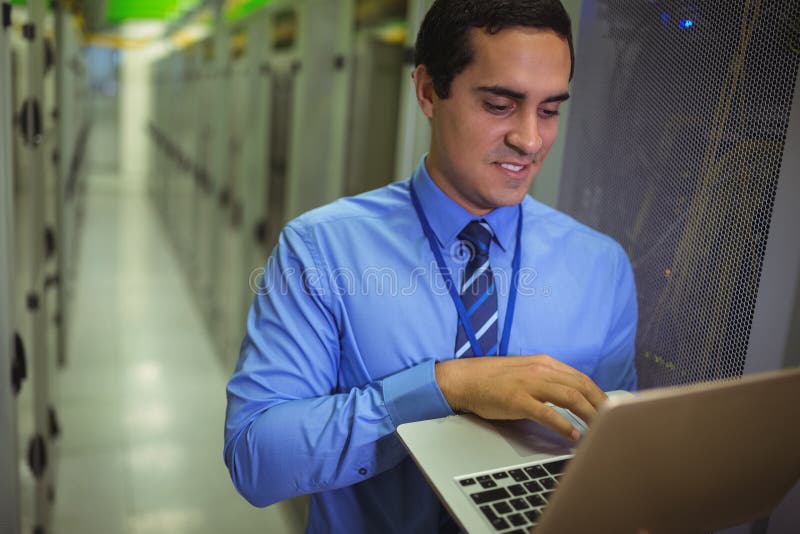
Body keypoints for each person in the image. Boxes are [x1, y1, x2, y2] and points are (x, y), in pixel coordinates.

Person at [224, 0, 638, 532]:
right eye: (499, 105)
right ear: (427, 91)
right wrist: (441, 388)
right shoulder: (322, 249)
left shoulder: (600, 268)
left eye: (550, 110)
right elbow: (256, 460)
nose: (530, 140)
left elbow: (613, 455)